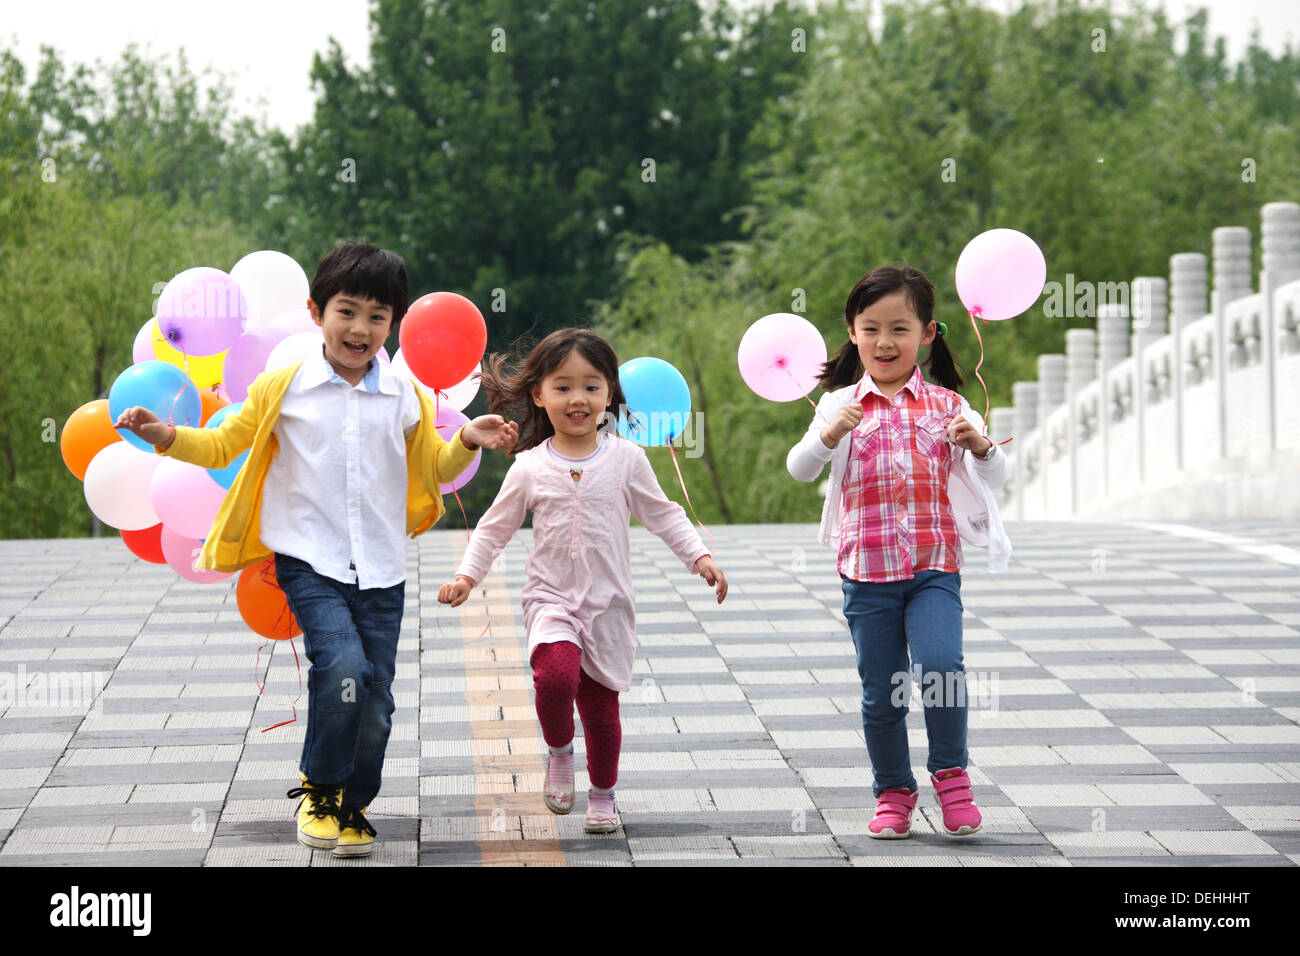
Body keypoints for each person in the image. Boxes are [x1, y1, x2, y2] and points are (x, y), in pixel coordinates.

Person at [114, 242, 518, 857]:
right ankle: (321, 790)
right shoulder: (287, 384)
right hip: (309, 561)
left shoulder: (404, 395)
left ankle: (353, 806)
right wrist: (166, 436)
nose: (360, 328)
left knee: (378, 700)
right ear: (315, 310)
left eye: (377, 317)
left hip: (382, 567)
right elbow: (225, 444)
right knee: (344, 671)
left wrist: (465, 437)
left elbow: (432, 468)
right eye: (347, 311)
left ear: (394, 324)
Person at [437, 328, 728, 833]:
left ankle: (603, 796)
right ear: (539, 394)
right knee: (554, 676)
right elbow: (494, 528)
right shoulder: (529, 466)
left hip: (609, 604)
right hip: (550, 599)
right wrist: (467, 575)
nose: (578, 399)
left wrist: (699, 556)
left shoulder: (627, 459)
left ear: (610, 394)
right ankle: (558, 753)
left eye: (592, 387)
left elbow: (663, 514)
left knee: (600, 711)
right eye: (563, 386)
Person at [786, 264, 1010, 838]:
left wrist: (981, 445)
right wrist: (829, 433)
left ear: (928, 334)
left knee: (942, 667)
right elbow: (799, 467)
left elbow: (997, 474)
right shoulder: (839, 403)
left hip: (935, 568)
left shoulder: (948, 406)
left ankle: (952, 777)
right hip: (867, 574)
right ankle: (893, 790)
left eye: (900, 329)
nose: (885, 342)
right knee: (882, 689)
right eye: (871, 328)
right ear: (853, 333)